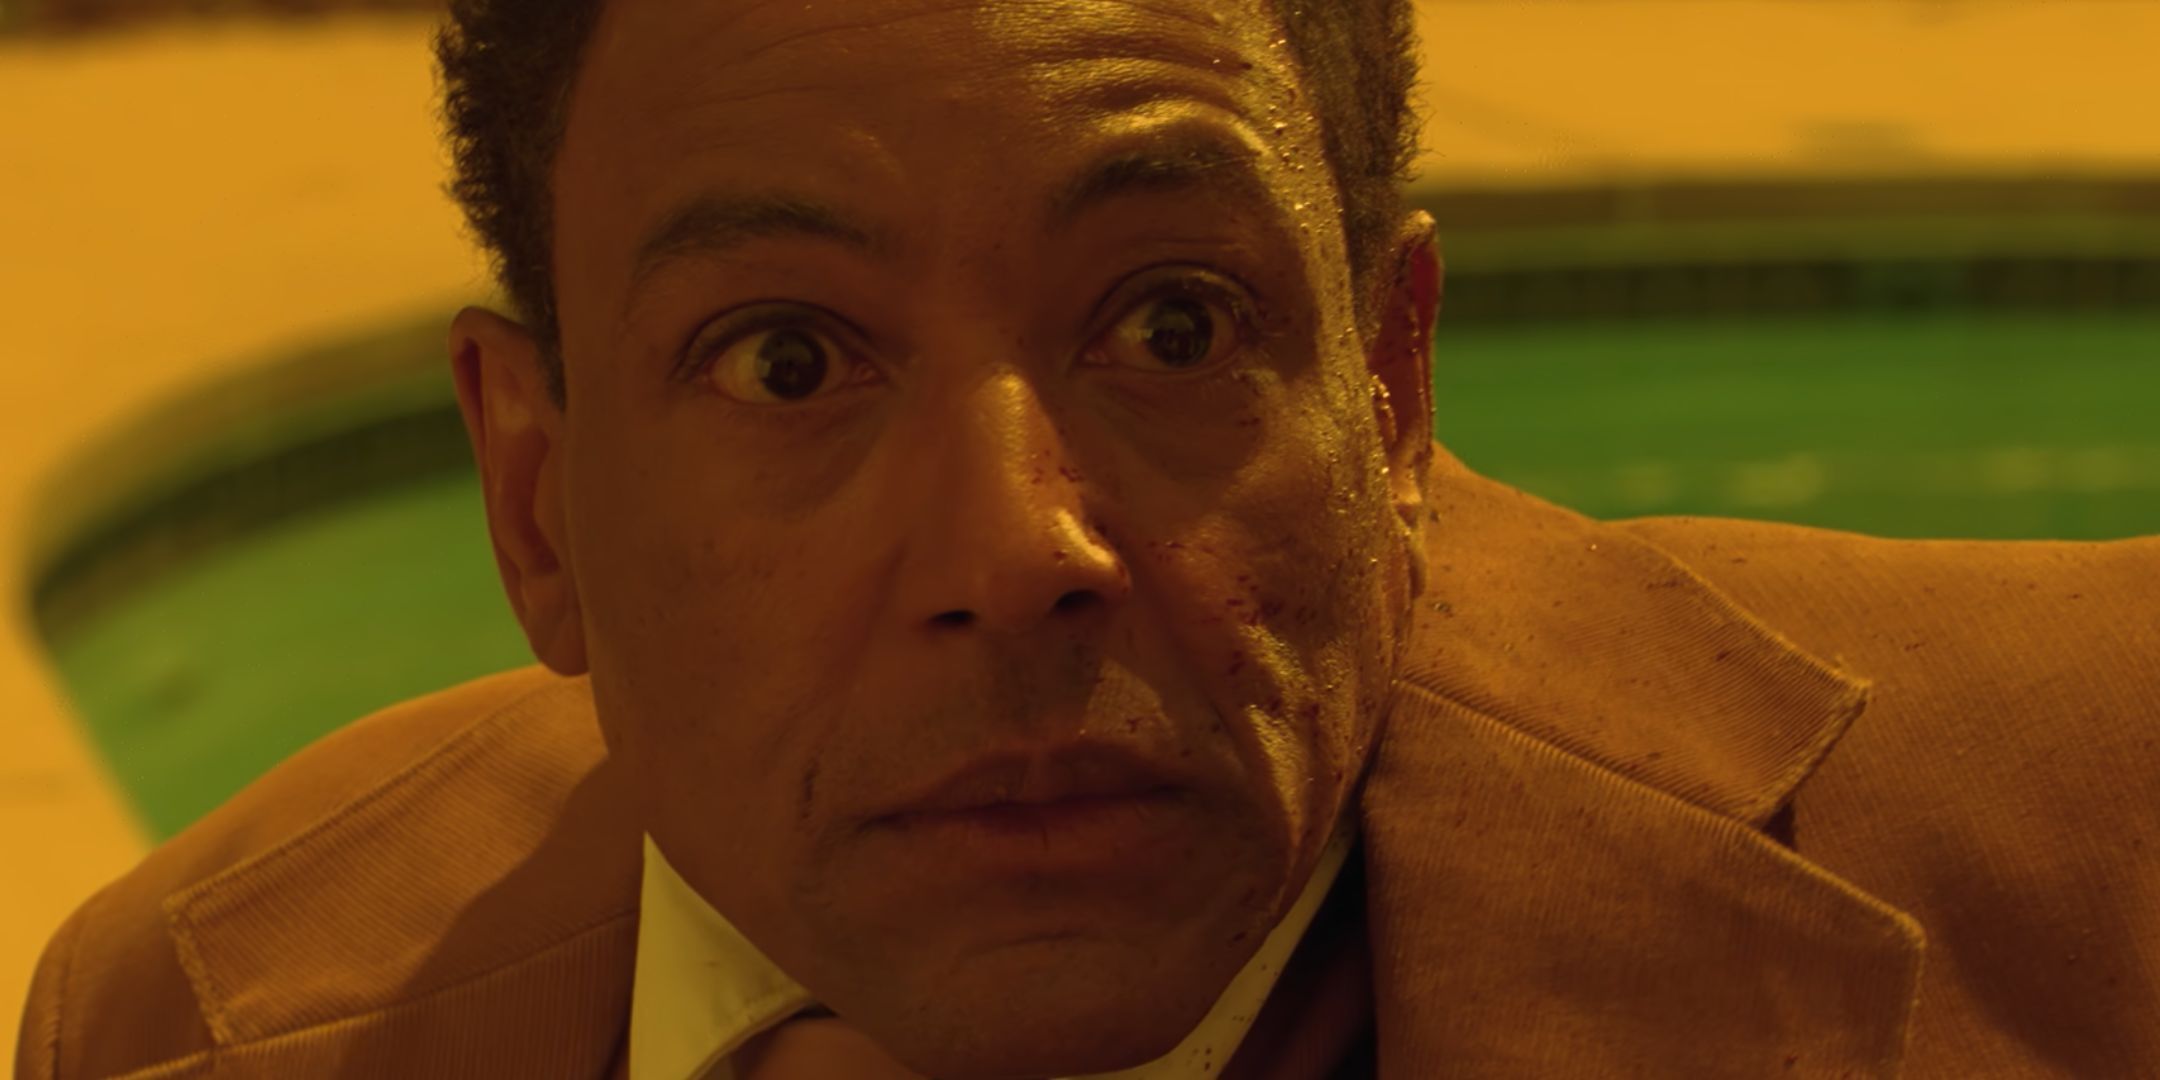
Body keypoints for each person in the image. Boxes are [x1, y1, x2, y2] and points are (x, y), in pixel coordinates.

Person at [16, 0, 2160, 1076]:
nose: (1016, 542)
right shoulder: (177, 1019)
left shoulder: (2095, 841)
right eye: (788, 360)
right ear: (536, 496)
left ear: (1390, 388)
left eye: (1173, 325)